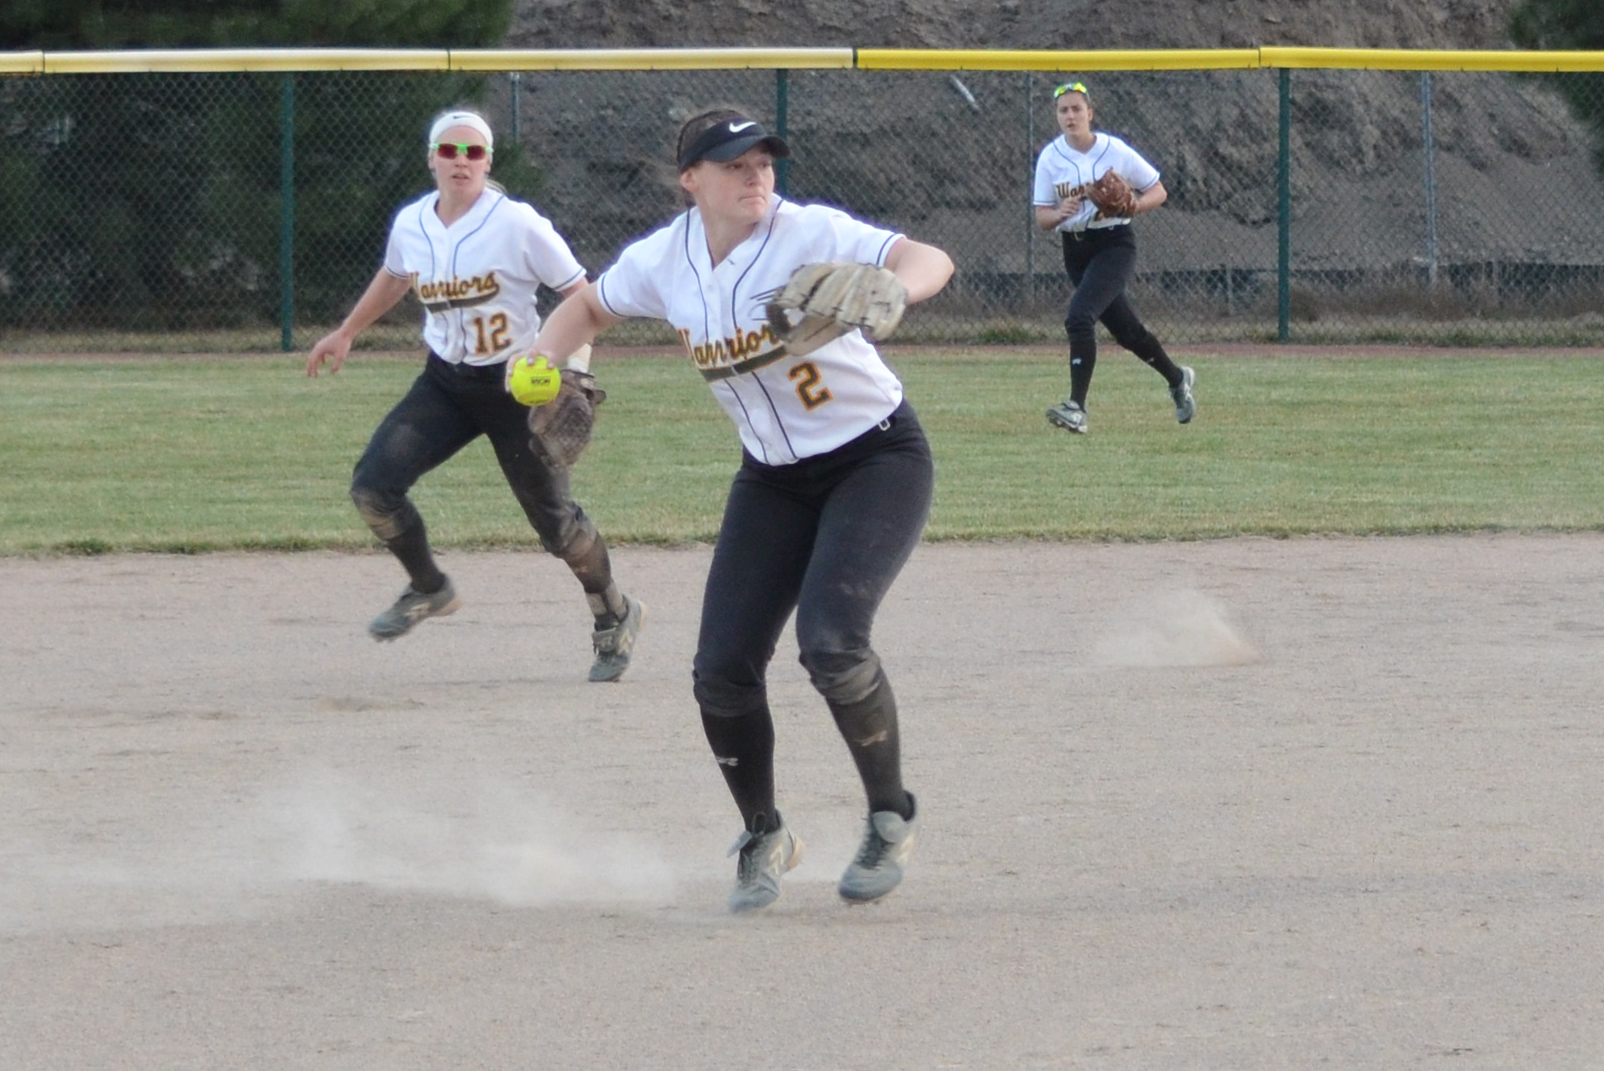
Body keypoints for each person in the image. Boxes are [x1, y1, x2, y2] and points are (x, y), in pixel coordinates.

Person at [519, 108, 955, 912]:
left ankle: (890, 816)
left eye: (763, 160)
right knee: (719, 670)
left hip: (876, 458)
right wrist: (546, 363)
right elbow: (585, 307)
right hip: (772, 478)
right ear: (692, 181)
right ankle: (765, 833)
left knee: (831, 642)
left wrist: (898, 286)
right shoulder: (664, 259)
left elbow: (927, 256)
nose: (756, 174)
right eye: (733, 164)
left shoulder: (808, 230)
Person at [306, 108, 643, 683]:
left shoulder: (518, 224)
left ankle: (614, 610)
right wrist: (347, 331)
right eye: (449, 151)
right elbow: (395, 276)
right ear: (432, 158)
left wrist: (575, 372)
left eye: (474, 153)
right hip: (446, 382)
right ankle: (428, 587)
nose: (461, 161)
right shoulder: (413, 222)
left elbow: (583, 297)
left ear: (488, 162)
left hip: (517, 387)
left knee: (557, 527)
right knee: (372, 490)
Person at [1032, 80, 1195, 435]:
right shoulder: (1050, 157)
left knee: (1079, 317)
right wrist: (1061, 213)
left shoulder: (1114, 150)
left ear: (1090, 113)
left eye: (1077, 108)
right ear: (1057, 117)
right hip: (1075, 249)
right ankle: (1177, 377)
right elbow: (1042, 217)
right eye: (1063, 110)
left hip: (1114, 244)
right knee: (1127, 332)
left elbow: (1158, 190)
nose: (1070, 115)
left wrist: (1134, 205)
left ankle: (1076, 407)